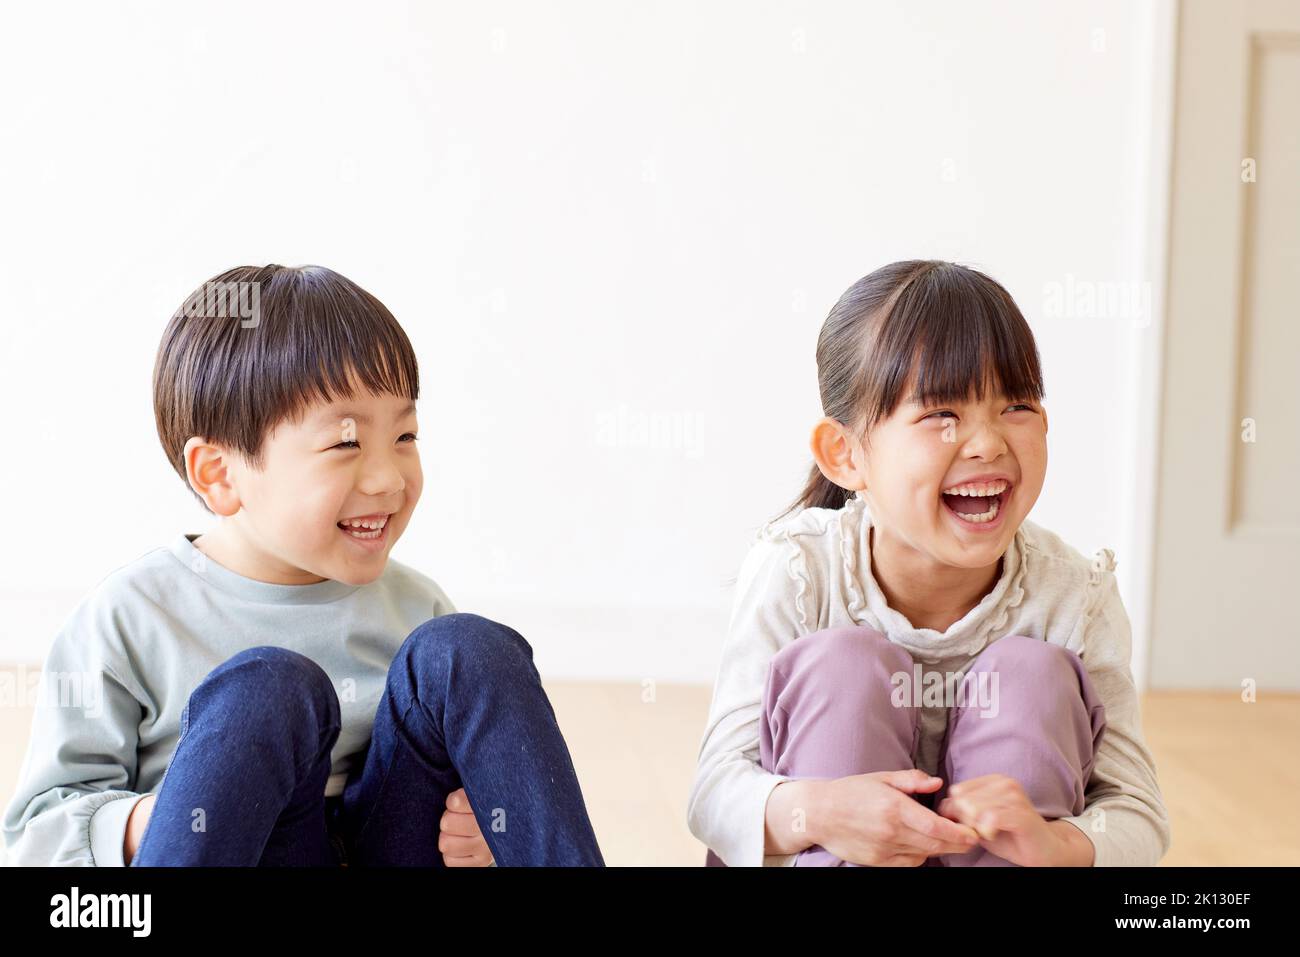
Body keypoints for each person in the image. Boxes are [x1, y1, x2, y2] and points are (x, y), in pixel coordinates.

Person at [2, 264, 604, 867]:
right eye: (346, 443)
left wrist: (482, 830)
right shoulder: (131, 619)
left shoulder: (419, 617)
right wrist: (156, 819)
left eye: (405, 437)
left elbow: (467, 800)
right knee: (268, 688)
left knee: (471, 647)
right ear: (220, 474)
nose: (389, 477)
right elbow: (35, 835)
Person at [687, 260, 1171, 867]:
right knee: (845, 665)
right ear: (844, 455)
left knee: (1030, 677)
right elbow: (713, 796)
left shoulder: (1074, 595)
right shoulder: (798, 572)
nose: (988, 442)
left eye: (1015, 405)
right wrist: (821, 810)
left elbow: (1136, 814)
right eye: (942, 415)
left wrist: (1053, 844)